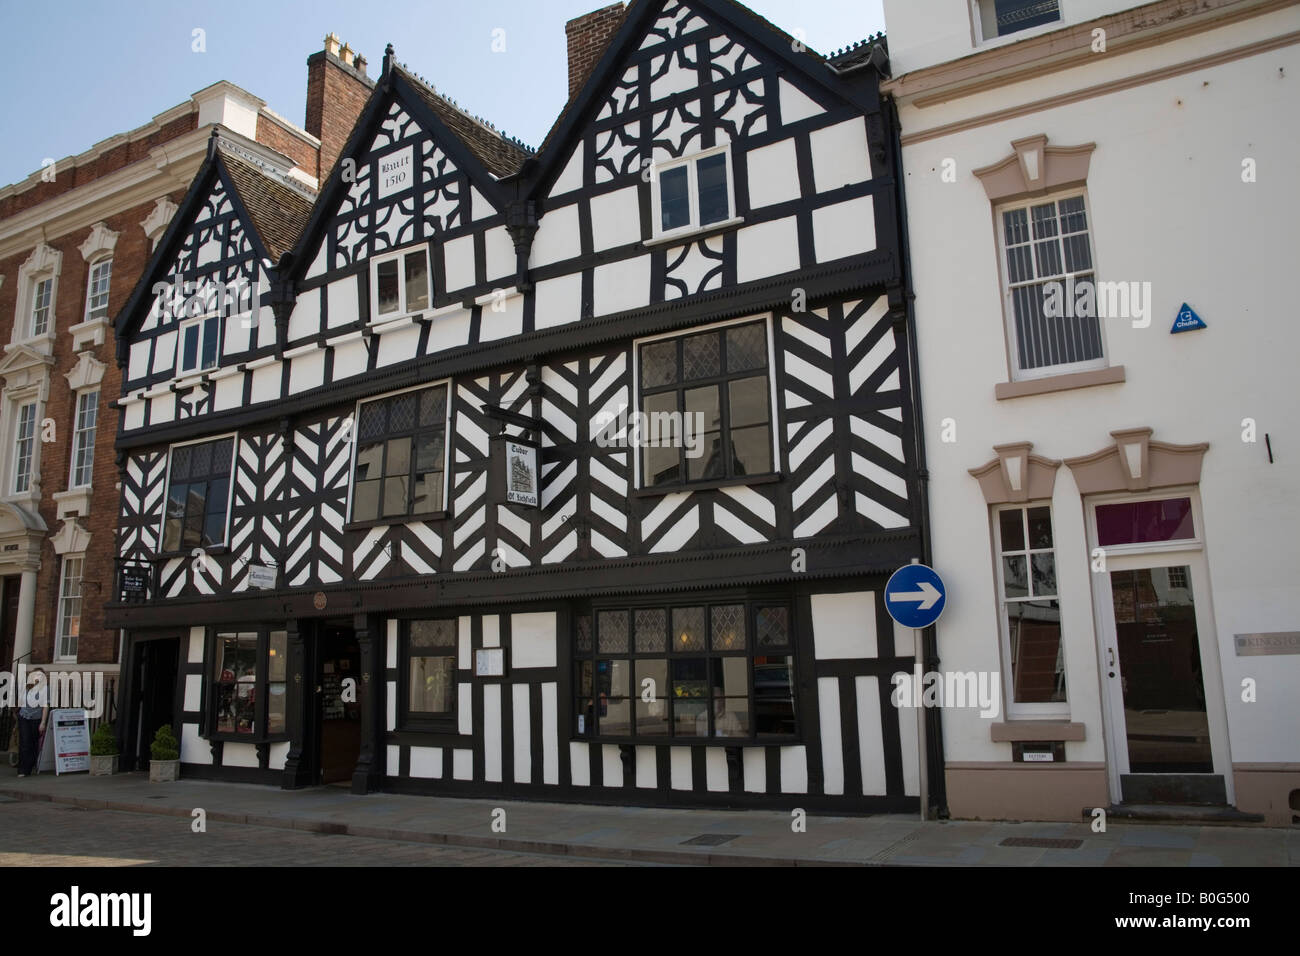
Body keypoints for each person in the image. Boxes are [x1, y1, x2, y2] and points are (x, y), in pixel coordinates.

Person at [16, 669, 48, 777]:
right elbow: (20, 701)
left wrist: (43, 722)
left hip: (36, 718)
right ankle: (22, 770)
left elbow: (45, 706)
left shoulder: (45, 689)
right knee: (24, 742)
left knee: (33, 743)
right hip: (23, 716)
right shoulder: (26, 687)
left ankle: (30, 765)